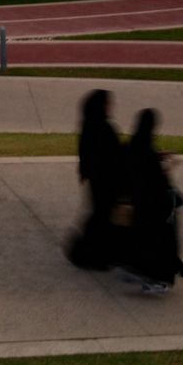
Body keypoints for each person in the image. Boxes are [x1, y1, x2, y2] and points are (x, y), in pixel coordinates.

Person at [119, 109, 183, 294]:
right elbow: (156, 179)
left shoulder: (135, 144)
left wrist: (158, 156)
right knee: (163, 242)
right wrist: (169, 166)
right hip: (156, 205)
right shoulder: (146, 150)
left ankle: (140, 269)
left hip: (141, 202)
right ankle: (160, 280)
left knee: (144, 238)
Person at [65, 89, 123, 269]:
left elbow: (85, 154)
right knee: (103, 217)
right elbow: (117, 155)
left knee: (100, 215)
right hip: (107, 181)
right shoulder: (105, 129)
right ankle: (95, 255)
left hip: (96, 180)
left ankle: (96, 253)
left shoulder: (88, 126)